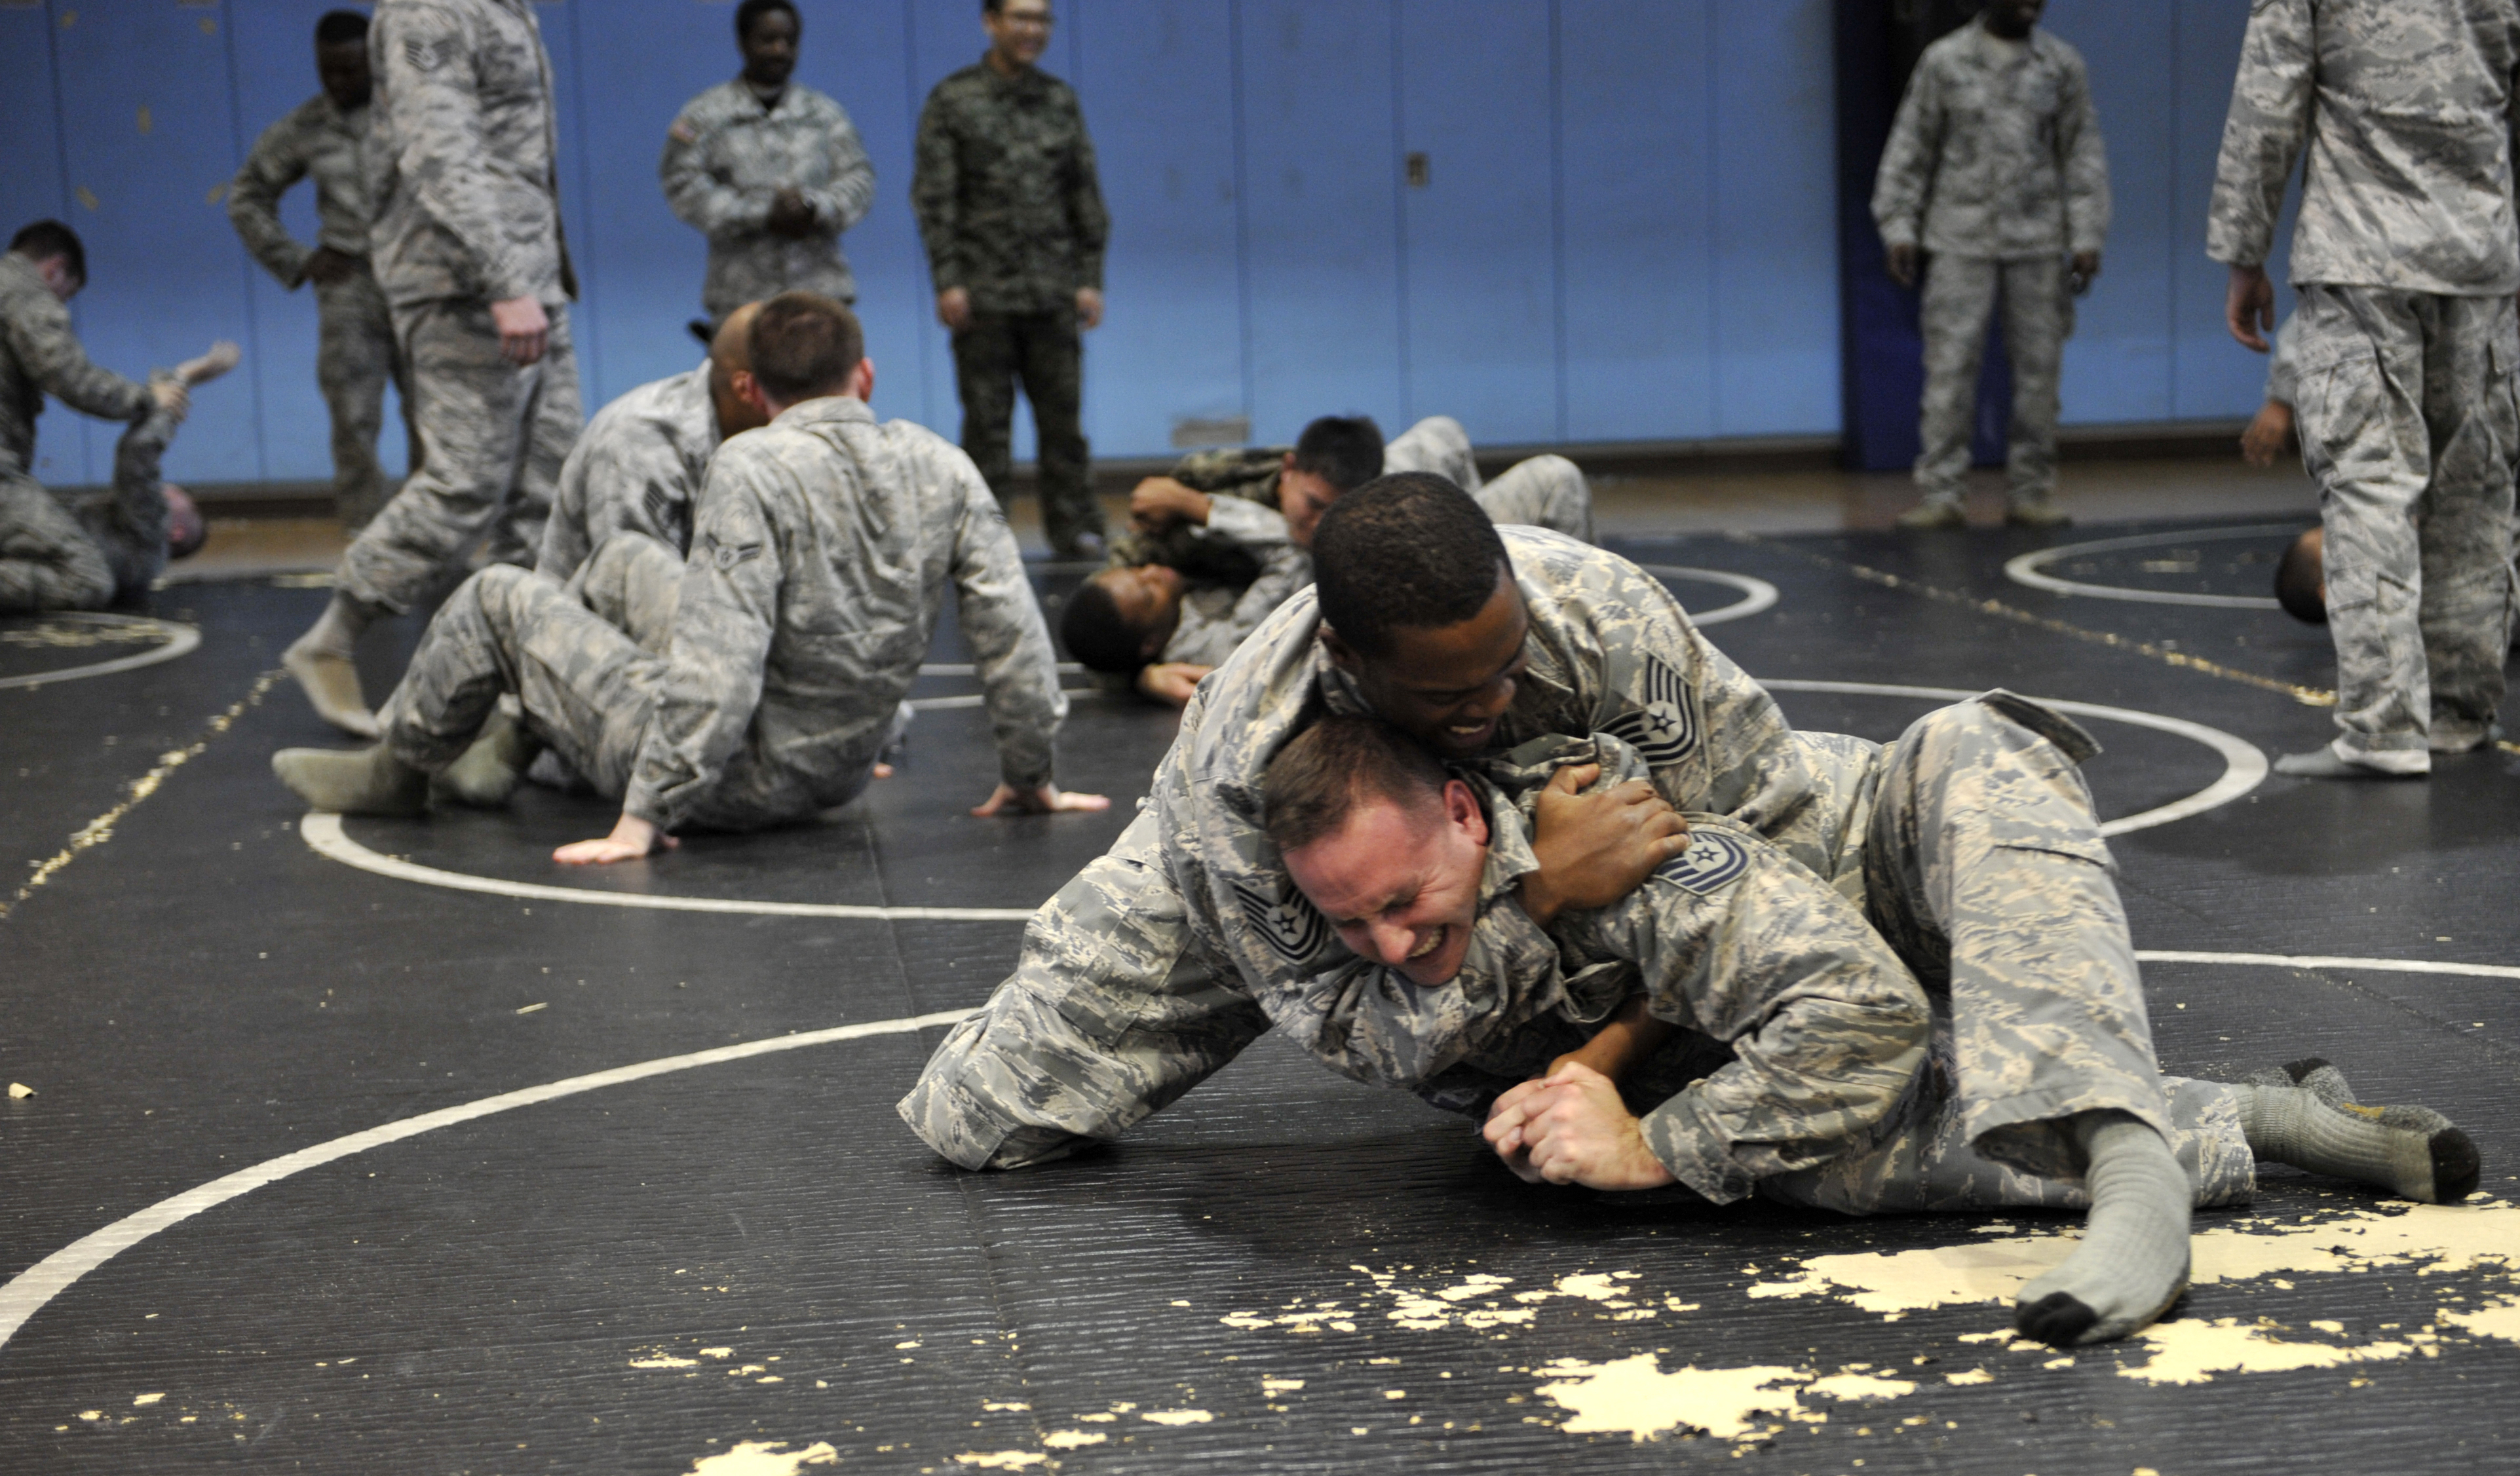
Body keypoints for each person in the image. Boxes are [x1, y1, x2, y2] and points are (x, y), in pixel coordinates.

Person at [901, 475, 2204, 1346]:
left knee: (1988, 753)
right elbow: (1367, 1029)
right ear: (1352, 662)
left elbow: (1773, 837)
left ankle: (2132, 1160)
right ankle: (2209, 1124)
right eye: (1451, 695)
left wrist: (1615, 1061)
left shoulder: (1591, 613)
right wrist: (1538, 892)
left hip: (1626, 900)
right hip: (1325, 880)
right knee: (979, 1119)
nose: (1493, 698)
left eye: (1505, 664)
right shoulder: (1235, 786)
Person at [1267, 714, 2479, 1345]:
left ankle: (2147, 1167)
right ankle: (2272, 1113)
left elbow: (1854, 1017)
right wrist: (1600, 1069)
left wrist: (1645, 1140)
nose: (1387, 942)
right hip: (1747, 1006)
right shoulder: (1356, 943)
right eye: (1349, 920)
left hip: (1862, 889)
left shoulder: (1599, 828)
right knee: (1800, 1146)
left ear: (1467, 815)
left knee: (1981, 765)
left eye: (1402, 900)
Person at [271, 293, 1103, 858]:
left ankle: (399, 771)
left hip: (734, 786)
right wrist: (1031, 773)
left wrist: (646, 814)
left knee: (495, 596)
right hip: (840, 770)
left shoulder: (751, 465)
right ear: (866, 375)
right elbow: (1012, 632)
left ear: (751, 388)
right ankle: (530, 731)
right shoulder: (940, 462)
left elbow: (722, 660)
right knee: (623, 560)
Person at [2210, 0, 2519, 778]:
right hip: (2480, 254)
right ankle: (2458, 712)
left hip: (2362, 253)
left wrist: (2244, 252)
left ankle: (2384, 729)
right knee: (2474, 492)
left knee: (2369, 484)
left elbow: (2268, 103)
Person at [282, 0, 584, 741]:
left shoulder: (503, 8)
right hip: (466, 284)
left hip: (532, 279)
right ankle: (331, 639)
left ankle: (518, 688)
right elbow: (438, 153)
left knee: (550, 483)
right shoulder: (429, 12)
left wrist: (534, 277)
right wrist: (503, 279)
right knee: (466, 482)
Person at [1107, 415, 1594, 702]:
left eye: (1338, 511)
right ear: (1289, 470)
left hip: (1403, 536)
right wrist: (1138, 677)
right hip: (1273, 601)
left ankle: (1574, 644)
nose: (1323, 526)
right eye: (1313, 506)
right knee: (1547, 474)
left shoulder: (1372, 497)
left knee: (1448, 435)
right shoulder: (1212, 481)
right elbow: (1105, 613)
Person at [1874, 0, 2109, 530]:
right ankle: (1942, 491)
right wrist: (1899, 227)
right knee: (1950, 371)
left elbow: (2083, 152)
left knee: (2039, 374)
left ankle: (2031, 490)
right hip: (1960, 238)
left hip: (2038, 240)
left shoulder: (2060, 65)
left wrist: (2087, 234)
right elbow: (1910, 146)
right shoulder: (1945, 60)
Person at [912, 0, 1109, 559]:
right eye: (1020, 17)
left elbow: (1084, 194)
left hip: (1052, 290)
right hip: (983, 295)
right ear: (990, 22)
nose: (1033, 30)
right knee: (986, 427)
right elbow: (935, 198)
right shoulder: (954, 100)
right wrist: (948, 279)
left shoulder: (1059, 100)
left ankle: (1075, 529)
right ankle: (983, 534)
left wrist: (1089, 278)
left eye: (1042, 19)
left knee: (1064, 425)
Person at [226, 9, 415, 531]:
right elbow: (247, 197)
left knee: (435, 414)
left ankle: (432, 534)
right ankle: (365, 532)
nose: (338, 81)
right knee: (353, 418)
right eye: (327, 70)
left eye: (350, 69)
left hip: (418, 281)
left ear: (374, 62)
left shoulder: (413, 114)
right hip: (349, 286)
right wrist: (299, 259)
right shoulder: (306, 127)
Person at [0, 221, 238, 613]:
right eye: (64, 297)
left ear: (175, 532)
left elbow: (140, 453)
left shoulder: (149, 535)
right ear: (55, 270)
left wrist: (176, 384)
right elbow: (70, 377)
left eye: (183, 500)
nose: (171, 490)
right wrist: (153, 395)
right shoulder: (24, 291)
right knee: (85, 578)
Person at [660, 0, 876, 347]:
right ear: (743, 43)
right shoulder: (706, 114)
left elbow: (859, 179)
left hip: (819, 297)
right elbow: (681, 183)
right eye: (769, 39)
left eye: (790, 41)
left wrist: (813, 206)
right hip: (741, 299)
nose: (781, 50)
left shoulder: (824, 114)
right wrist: (760, 213)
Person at [537, 302, 769, 583]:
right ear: (747, 389)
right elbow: (631, 591)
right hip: (606, 607)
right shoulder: (639, 443)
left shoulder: (769, 436)